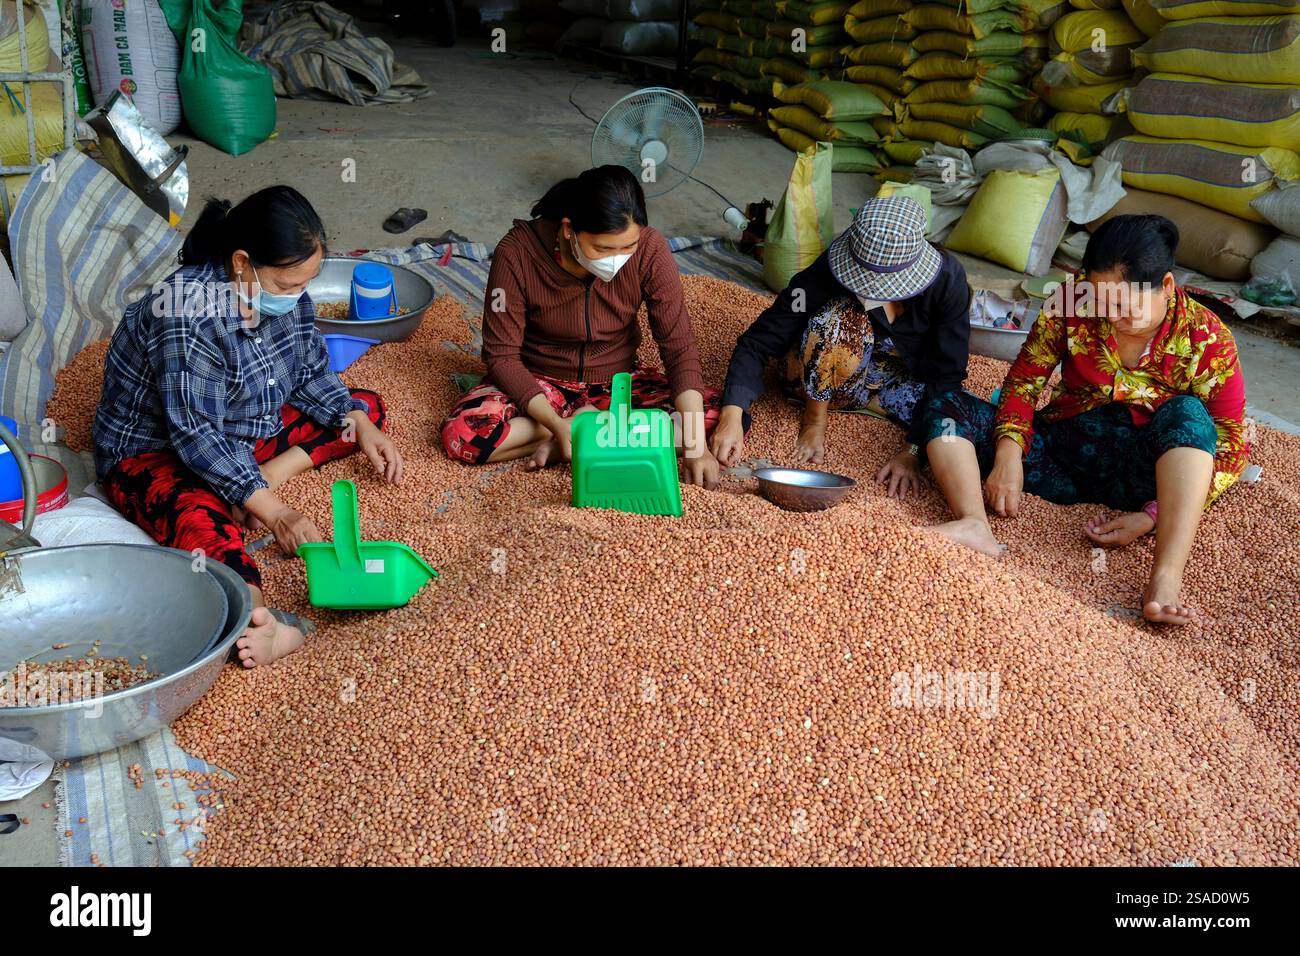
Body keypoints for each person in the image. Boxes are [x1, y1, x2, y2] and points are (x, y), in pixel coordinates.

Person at [93, 186, 404, 667]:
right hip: (157, 452)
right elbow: (197, 436)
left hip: (242, 429)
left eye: (307, 282)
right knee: (202, 525)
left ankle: (259, 482)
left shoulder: (286, 295)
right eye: (287, 284)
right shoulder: (185, 312)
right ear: (242, 262)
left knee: (364, 407)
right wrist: (278, 515)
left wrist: (356, 421)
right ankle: (260, 623)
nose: (299, 296)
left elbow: (307, 374)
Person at [922, 214, 1249, 625]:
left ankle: (1165, 577)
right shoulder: (1070, 301)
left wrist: (1150, 516)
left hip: (1144, 479)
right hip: (1063, 457)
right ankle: (973, 523)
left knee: (1190, 414)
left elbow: (1232, 445)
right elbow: (1025, 381)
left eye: (1125, 306)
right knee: (946, 406)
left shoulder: (1207, 339)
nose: (1110, 316)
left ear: (1166, 287)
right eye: (1100, 301)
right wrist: (1008, 454)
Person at [441, 165, 723, 488]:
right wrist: (555, 421)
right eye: (603, 249)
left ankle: (577, 433)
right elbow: (501, 355)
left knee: (715, 414)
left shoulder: (651, 250)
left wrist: (696, 446)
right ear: (568, 229)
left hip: (617, 385)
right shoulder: (516, 254)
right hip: (541, 385)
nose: (617, 260)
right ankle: (578, 432)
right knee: (463, 434)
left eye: (627, 247)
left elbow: (679, 346)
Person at [711, 196, 971, 498]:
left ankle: (871, 406)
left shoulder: (949, 282)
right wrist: (732, 414)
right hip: (818, 371)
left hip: (888, 379)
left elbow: (947, 375)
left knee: (957, 417)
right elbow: (758, 342)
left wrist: (913, 450)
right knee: (838, 319)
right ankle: (815, 417)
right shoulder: (826, 270)